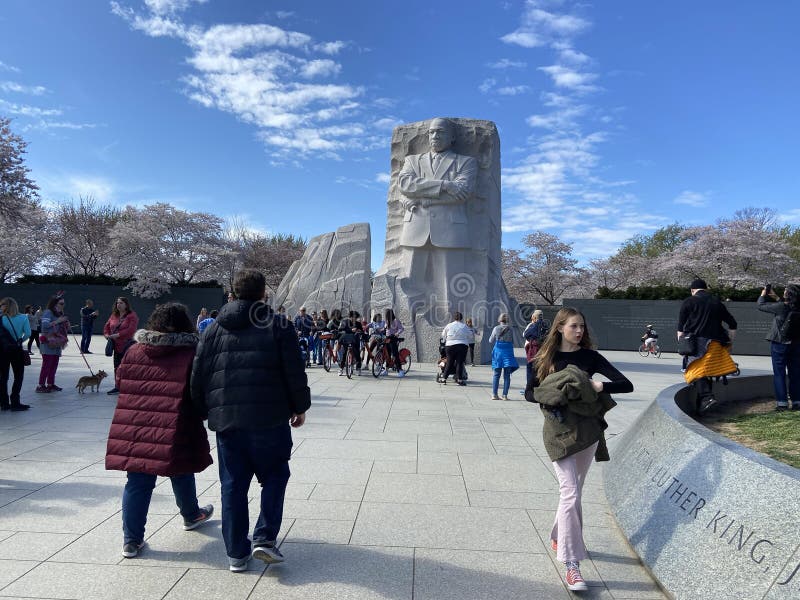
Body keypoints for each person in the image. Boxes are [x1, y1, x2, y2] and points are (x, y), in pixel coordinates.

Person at [191, 268, 310, 573]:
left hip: (227, 421)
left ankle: (236, 553)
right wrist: (300, 407)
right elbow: (294, 370)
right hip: (270, 418)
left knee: (232, 485)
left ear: (232, 294)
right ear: (263, 294)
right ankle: (265, 538)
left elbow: (198, 374)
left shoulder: (213, 329)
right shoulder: (278, 325)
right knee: (275, 476)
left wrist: (204, 410)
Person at [524, 307, 633, 591]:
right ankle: (572, 563)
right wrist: (554, 393)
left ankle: (559, 535)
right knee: (570, 492)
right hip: (558, 431)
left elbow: (626, 385)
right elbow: (529, 393)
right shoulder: (543, 357)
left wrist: (599, 386)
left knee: (573, 493)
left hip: (587, 432)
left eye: (582, 326)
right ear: (560, 327)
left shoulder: (590, 357)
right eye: (574, 326)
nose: (579, 330)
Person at [105, 302, 214, 559]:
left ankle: (131, 540)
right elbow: (199, 392)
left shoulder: (134, 350)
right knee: (181, 467)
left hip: (135, 424)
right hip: (176, 423)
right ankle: (191, 514)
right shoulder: (191, 352)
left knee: (138, 481)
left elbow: (120, 381)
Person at [397, 117, 477, 307]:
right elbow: (405, 184)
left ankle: (452, 320)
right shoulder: (412, 161)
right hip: (415, 227)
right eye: (431, 132)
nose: (435, 136)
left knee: (452, 288)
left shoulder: (466, 162)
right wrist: (445, 185)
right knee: (409, 286)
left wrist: (423, 198)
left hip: (451, 231)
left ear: (452, 137)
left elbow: (463, 192)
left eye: (440, 132)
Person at [677, 279, 738, 413]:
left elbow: (680, 327)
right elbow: (733, 323)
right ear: (706, 289)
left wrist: (682, 345)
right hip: (715, 344)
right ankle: (702, 407)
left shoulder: (689, 301)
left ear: (692, 290)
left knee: (695, 371)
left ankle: (707, 398)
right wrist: (730, 341)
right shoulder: (717, 302)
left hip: (695, 344)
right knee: (706, 373)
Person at [757, 284, 800, 411]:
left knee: (779, 374)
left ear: (788, 294)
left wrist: (763, 294)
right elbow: (788, 306)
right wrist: (776, 297)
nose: (784, 291)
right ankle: (797, 401)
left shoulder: (780, 307)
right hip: (796, 344)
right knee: (795, 373)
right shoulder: (797, 307)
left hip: (779, 343)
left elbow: (760, 306)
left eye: (785, 290)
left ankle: (782, 403)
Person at [103, 297, 139, 395]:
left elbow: (131, 330)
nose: (118, 305)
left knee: (127, 367)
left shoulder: (132, 315)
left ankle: (128, 386)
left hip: (128, 345)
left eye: (121, 303)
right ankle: (117, 386)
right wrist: (106, 335)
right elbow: (106, 326)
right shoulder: (114, 315)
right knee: (117, 367)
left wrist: (118, 335)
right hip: (116, 345)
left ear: (126, 305)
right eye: (117, 303)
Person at [0, 297, 31, 411]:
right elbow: (28, 333)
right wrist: (19, 341)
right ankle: (15, 402)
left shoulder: (1, 318)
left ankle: (4, 403)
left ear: (6, 306)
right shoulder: (23, 317)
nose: (1, 307)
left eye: (2, 305)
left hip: (3, 351)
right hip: (17, 350)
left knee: (3, 377)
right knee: (18, 376)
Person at [37, 294, 70, 393]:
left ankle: (50, 384)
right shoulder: (48, 312)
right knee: (47, 364)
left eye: (64, 303)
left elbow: (61, 327)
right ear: (55, 304)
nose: (63, 305)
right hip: (48, 342)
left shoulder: (59, 313)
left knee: (54, 364)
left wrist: (65, 324)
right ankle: (40, 385)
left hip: (57, 342)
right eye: (61, 303)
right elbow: (44, 325)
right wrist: (58, 321)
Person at [490, 313, 518, 400]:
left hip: (498, 353)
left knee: (496, 374)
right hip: (508, 353)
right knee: (507, 375)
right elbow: (513, 341)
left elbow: (490, 340)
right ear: (507, 320)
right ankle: (505, 395)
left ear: (499, 319)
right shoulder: (511, 329)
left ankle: (494, 395)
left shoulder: (496, 328)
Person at [441, 312, 470, 386]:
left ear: (454, 318)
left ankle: (444, 379)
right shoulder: (464, 326)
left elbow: (443, 335)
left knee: (449, 362)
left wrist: (444, 341)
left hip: (450, 345)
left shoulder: (449, 325)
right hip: (462, 345)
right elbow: (470, 335)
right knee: (459, 363)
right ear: (461, 318)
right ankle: (459, 380)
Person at [523, 310, 548, 385]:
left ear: (534, 317)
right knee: (540, 369)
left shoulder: (533, 325)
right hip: (542, 350)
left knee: (530, 369)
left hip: (533, 350)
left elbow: (525, 334)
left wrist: (531, 340)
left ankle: (530, 386)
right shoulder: (545, 325)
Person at [385, 309, 405, 376]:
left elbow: (401, 328)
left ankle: (400, 370)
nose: (387, 316)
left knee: (395, 355)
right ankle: (386, 370)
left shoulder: (396, 321)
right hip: (387, 339)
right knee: (387, 355)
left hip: (393, 339)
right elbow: (386, 330)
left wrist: (397, 333)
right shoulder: (387, 321)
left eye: (387, 314)